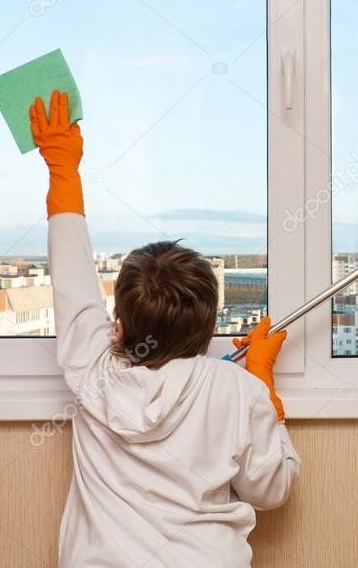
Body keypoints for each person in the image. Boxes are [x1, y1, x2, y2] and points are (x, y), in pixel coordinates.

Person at [29, 89, 299, 567]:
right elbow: (271, 489)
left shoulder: (92, 367)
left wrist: (62, 168)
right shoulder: (236, 388)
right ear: (210, 322)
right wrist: (265, 390)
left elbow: (71, 278)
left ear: (119, 322)